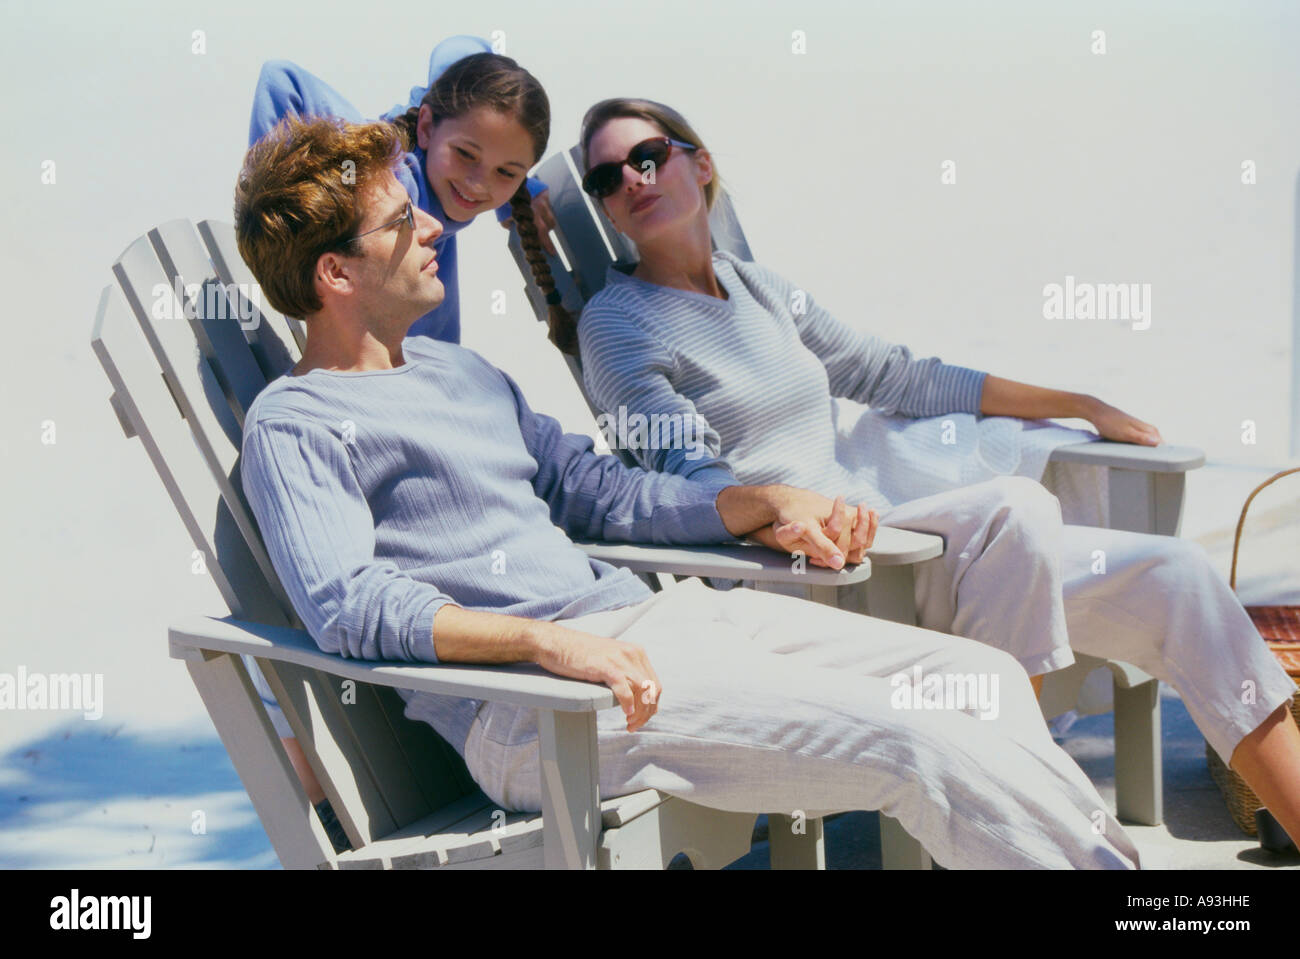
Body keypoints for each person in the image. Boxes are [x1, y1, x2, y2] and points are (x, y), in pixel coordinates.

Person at [230, 112, 1146, 869]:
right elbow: (347, 605)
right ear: (336, 273)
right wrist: (543, 642)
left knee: (975, 680)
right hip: (538, 708)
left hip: (658, 626)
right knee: (916, 739)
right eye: (402, 220)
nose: (434, 226)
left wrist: (753, 503)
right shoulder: (296, 422)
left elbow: (595, 492)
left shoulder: (457, 372)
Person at [571, 97, 1300, 848]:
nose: (631, 178)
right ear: (607, 211)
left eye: (648, 155)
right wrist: (788, 513)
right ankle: (1032, 819)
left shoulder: (758, 289)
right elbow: (686, 478)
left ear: (701, 162)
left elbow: (898, 375)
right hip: (805, 578)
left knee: (1177, 574)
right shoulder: (616, 321)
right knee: (1014, 509)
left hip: (897, 553)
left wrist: (1082, 404)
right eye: (604, 177)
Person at [248, 36, 561, 346]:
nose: (479, 183)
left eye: (506, 172)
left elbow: (461, 48)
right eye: (466, 154)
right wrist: (288, 223)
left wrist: (522, 195)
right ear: (425, 128)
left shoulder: (434, 135)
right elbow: (281, 78)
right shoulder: (388, 176)